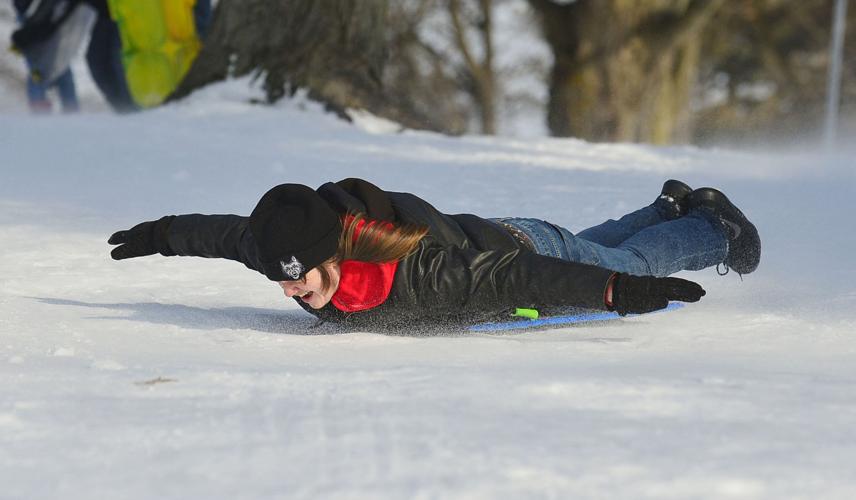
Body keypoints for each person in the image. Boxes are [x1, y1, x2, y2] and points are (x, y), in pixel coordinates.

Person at [108, 178, 761, 331]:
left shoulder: (422, 277)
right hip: (500, 234)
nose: (289, 289)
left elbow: (526, 276)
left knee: (623, 268)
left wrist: (613, 297)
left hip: (517, 251)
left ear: (335, 256)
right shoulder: (288, 247)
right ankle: (665, 210)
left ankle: (712, 228)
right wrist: (162, 234)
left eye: (300, 278)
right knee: (595, 249)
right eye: (285, 278)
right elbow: (227, 235)